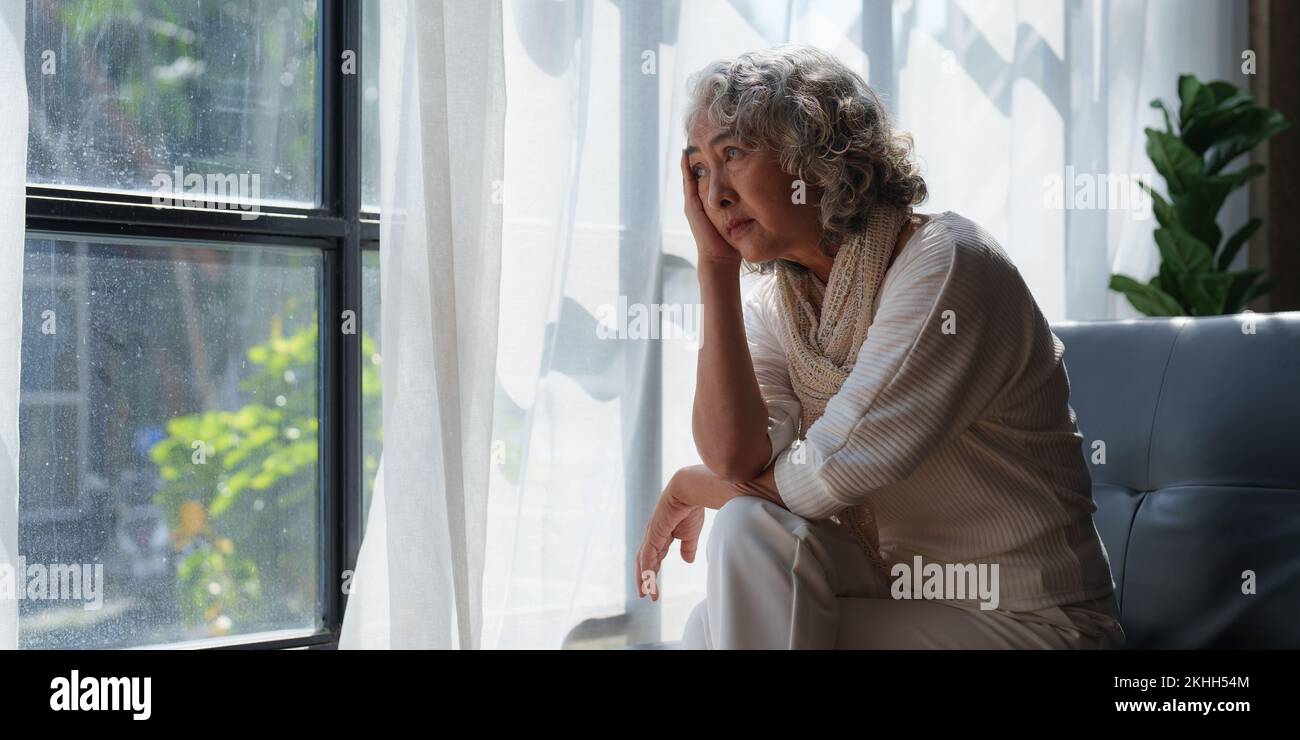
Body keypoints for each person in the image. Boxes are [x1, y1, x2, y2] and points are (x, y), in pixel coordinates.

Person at [634, 44, 1124, 650]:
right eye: (700, 170)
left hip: (1029, 624)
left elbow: (828, 474)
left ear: (812, 152)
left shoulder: (946, 265)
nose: (717, 194)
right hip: (901, 596)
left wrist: (689, 484)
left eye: (733, 153)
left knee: (719, 609)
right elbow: (737, 459)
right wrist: (714, 266)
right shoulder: (781, 306)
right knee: (739, 549)